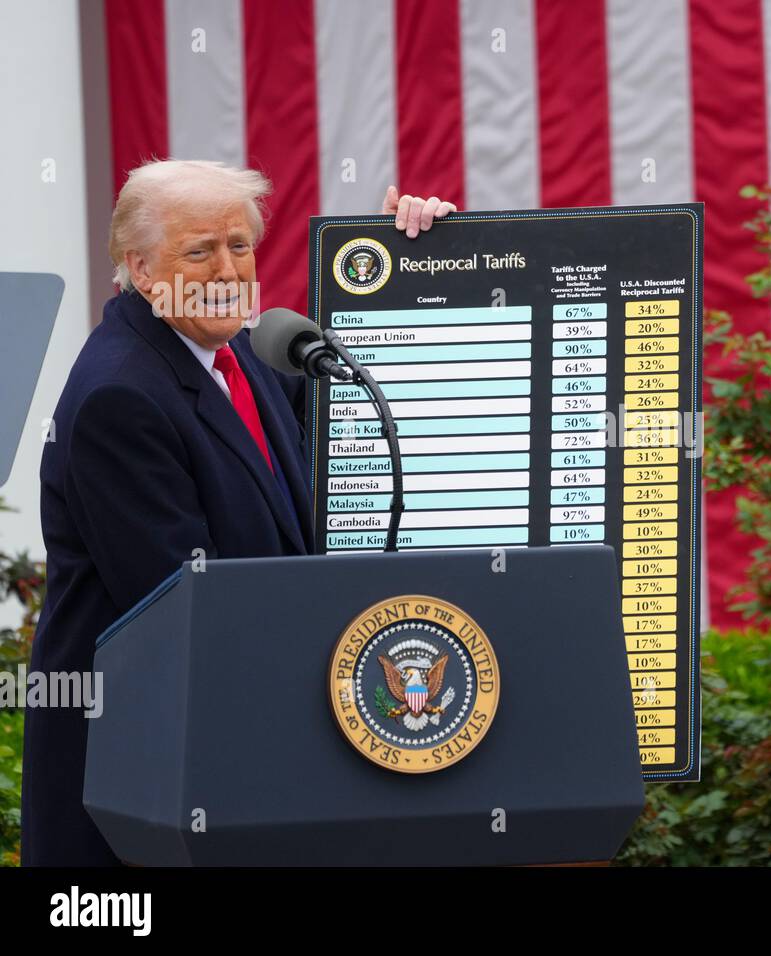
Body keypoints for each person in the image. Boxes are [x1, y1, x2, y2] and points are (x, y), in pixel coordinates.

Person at [21, 159, 455, 866]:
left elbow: (340, 421)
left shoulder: (238, 353)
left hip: (232, 767)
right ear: (140, 267)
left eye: (241, 245)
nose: (228, 269)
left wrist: (408, 261)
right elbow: (193, 616)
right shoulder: (120, 396)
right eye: (199, 251)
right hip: (147, 797)